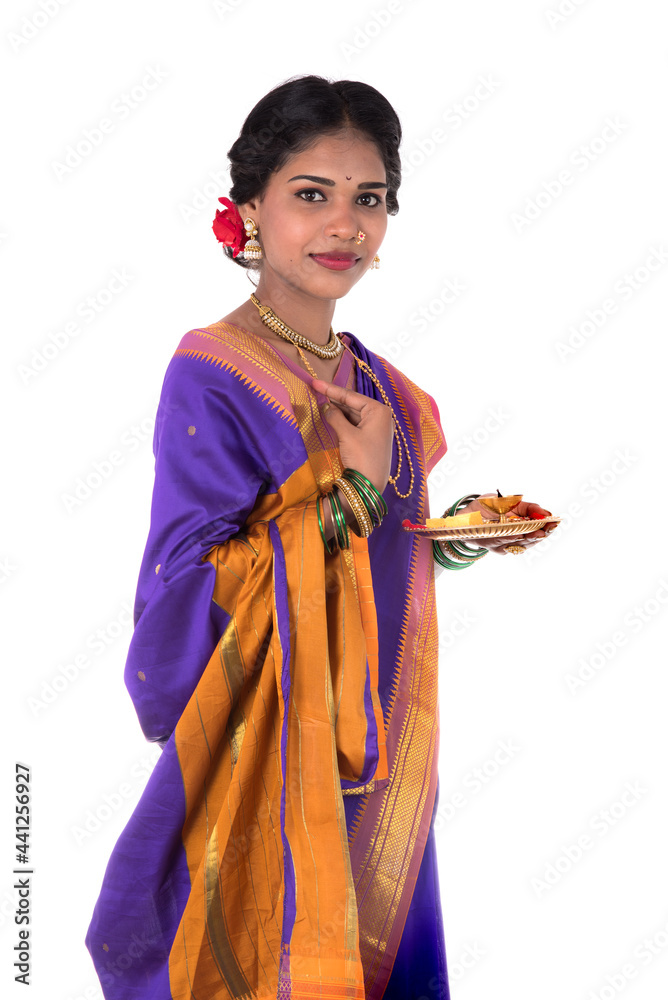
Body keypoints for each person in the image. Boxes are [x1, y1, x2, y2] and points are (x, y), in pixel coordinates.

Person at [85, 74, 557, 1000]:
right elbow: (187, 588)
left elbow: (368, 560)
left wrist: (449, 538)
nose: (346, 226)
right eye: (312, 194)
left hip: (382, 745)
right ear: (250, 209)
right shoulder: (214, 372)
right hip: (270, 759)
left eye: (369, 199)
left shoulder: (380, 385)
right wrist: (357, 492)